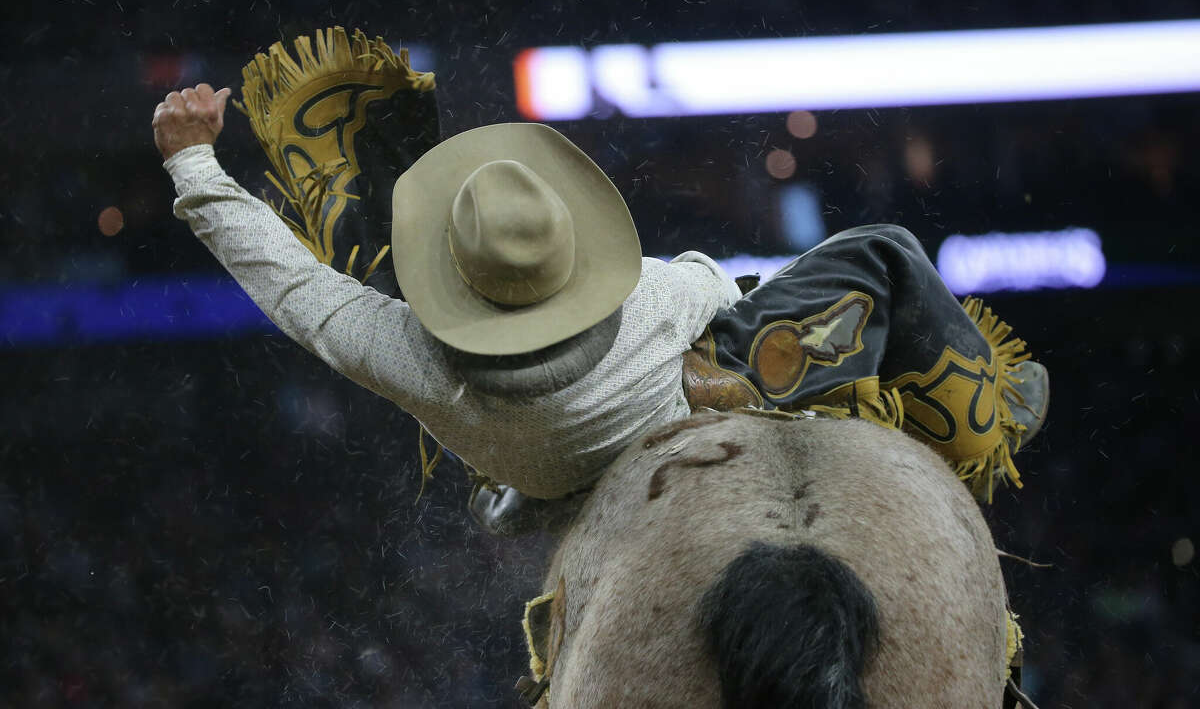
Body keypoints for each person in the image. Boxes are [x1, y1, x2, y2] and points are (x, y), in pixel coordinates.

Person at [152, 80, 1048, 536]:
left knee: (483, 452)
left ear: (452, 277)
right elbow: (713, 283)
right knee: (881, 249)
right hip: (664, 405)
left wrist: (194, 163)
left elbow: (299, 290)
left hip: (544, 468)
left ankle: (529, 496)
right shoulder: (653, 296)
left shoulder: (407, 355)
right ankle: (984, 422)